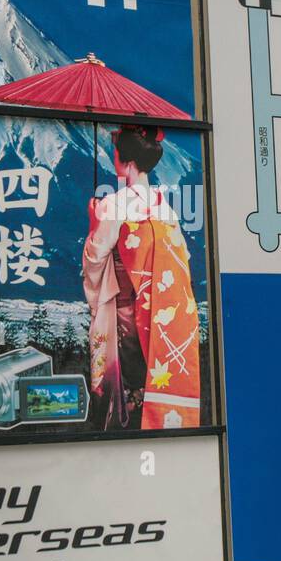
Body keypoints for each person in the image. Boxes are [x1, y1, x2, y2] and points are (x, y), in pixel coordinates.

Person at [82, 125, 201, 431]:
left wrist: (93, 222)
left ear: (124, 159)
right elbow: (182, 259)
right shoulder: (165, 207)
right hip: (162, 308)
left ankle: (130, 409)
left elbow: (96, 258)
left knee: (130, 368)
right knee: (155, 366)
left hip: (126, 305)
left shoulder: (114, 204)